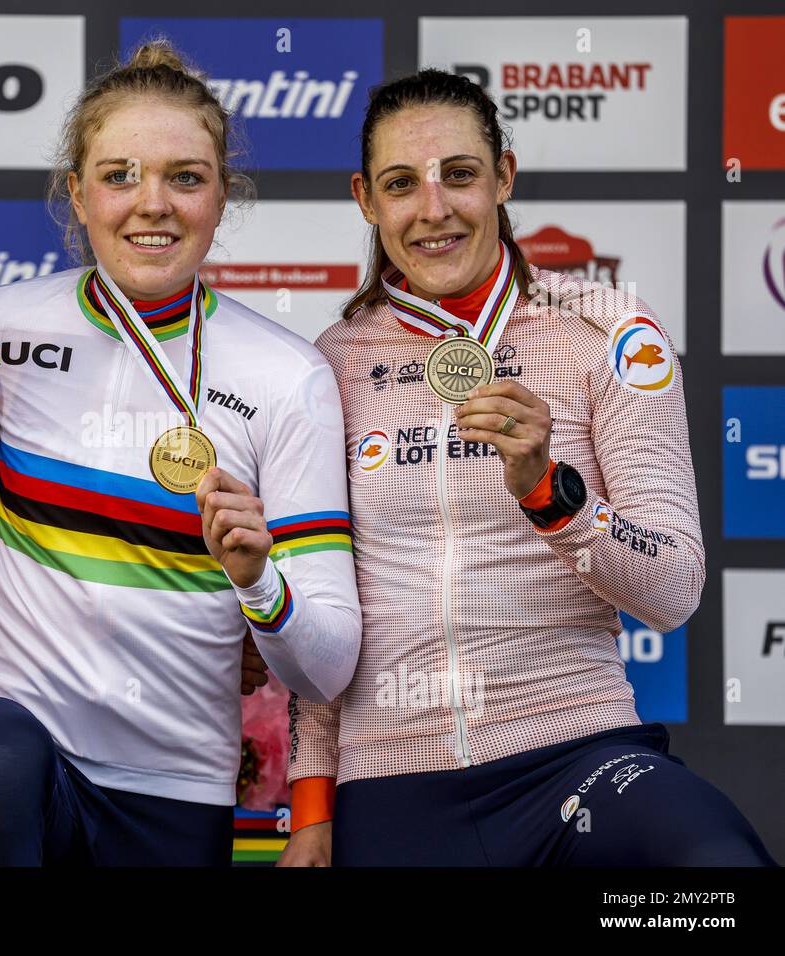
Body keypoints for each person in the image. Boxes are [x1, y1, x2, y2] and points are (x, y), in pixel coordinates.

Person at [280, 69, 776, 867]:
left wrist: (552, 494)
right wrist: (310, 807)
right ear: (365, 199)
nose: (433, 209)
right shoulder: (329, 365)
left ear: (504, 176)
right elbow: (323, 611)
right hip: (393, 779)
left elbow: (675, 590)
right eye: (401, 184)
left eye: (461, 175)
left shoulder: (605, 331)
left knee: (711, 872)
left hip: (576, 754)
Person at [0, 41, 363, 866]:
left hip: (174, 778)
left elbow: (328, 666)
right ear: (78, 194)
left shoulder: (289, 377)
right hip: (8, 722)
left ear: (222, 197)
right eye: (120, 175)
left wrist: (258, 584)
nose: (151, 204)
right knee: (3, 764)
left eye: (185, 177)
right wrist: (18, 581)